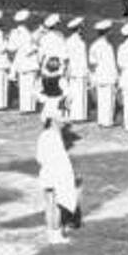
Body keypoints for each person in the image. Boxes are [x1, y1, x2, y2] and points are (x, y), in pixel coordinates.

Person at [36, 92, 79, 245]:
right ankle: (54, 234)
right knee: (55, 206)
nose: (64, 122)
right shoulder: (50, 136)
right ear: (52, 120)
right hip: (52, 176)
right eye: (60, 118)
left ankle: (53, 232)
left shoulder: (51, 135)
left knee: (52, 205)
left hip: (50, 175)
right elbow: (44, 158)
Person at [90, 20, 118, 126]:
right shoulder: (108, 46)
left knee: (102, 99)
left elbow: (93, 63)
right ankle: (107, 121)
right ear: (107, 32)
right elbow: (111, 64)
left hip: (99, 76)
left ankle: (101, 120)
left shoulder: (94, 45)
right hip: (108, 76)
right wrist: (115, 77)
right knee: (109, 100)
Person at [64, 17, 89, 123]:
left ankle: (74, 114)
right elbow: (83, 58)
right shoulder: (79, 42)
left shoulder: (69, 40)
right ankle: (79, 116)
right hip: (79, 70)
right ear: (78, 29)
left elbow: (66, 57)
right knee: (80, 93)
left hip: (72, 70)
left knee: (74, 92)